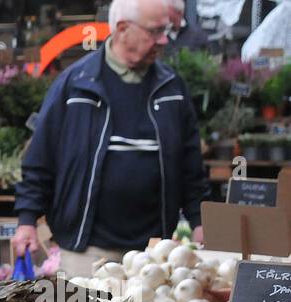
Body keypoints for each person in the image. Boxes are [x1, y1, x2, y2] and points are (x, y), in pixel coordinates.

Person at [12, 0, 207, 276]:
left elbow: (191, 166)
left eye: (165, 31)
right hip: (86, 249)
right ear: (122, 29)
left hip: (153, 251)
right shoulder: (76, 84)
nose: (163, 40)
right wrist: (27, 220)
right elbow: (40, 158)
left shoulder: (171, 88)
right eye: (154, 31)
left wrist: (199, 221)